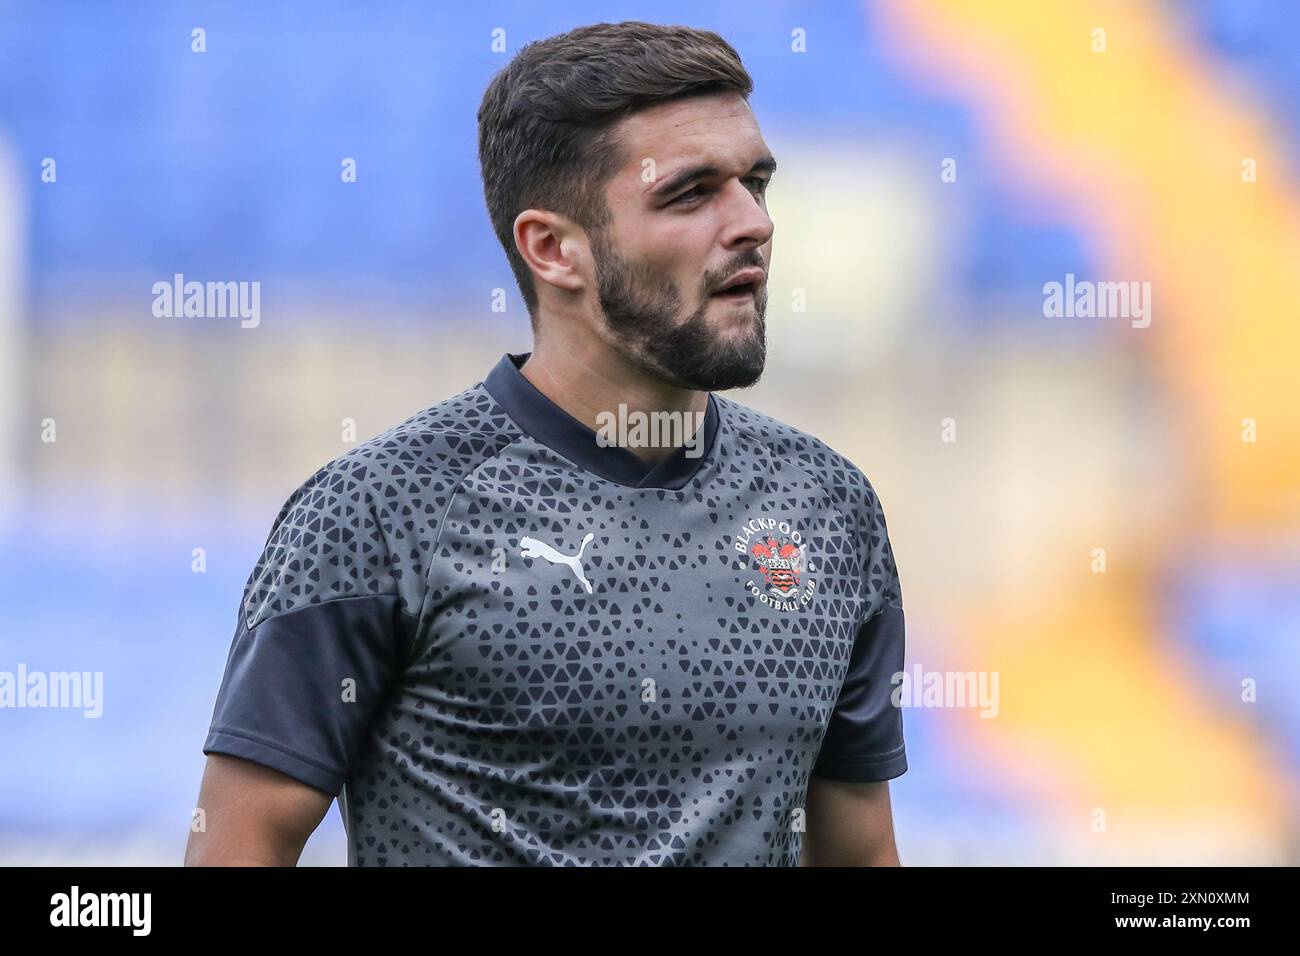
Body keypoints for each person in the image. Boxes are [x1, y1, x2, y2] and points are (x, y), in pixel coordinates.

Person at [186, 20, 906, 867]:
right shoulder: (381, 508)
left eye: (756, 182)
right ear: (553, 249)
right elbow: (240, 846)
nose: (753, 222)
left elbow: (859, 852)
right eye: (692, 192)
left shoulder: (827, 506)